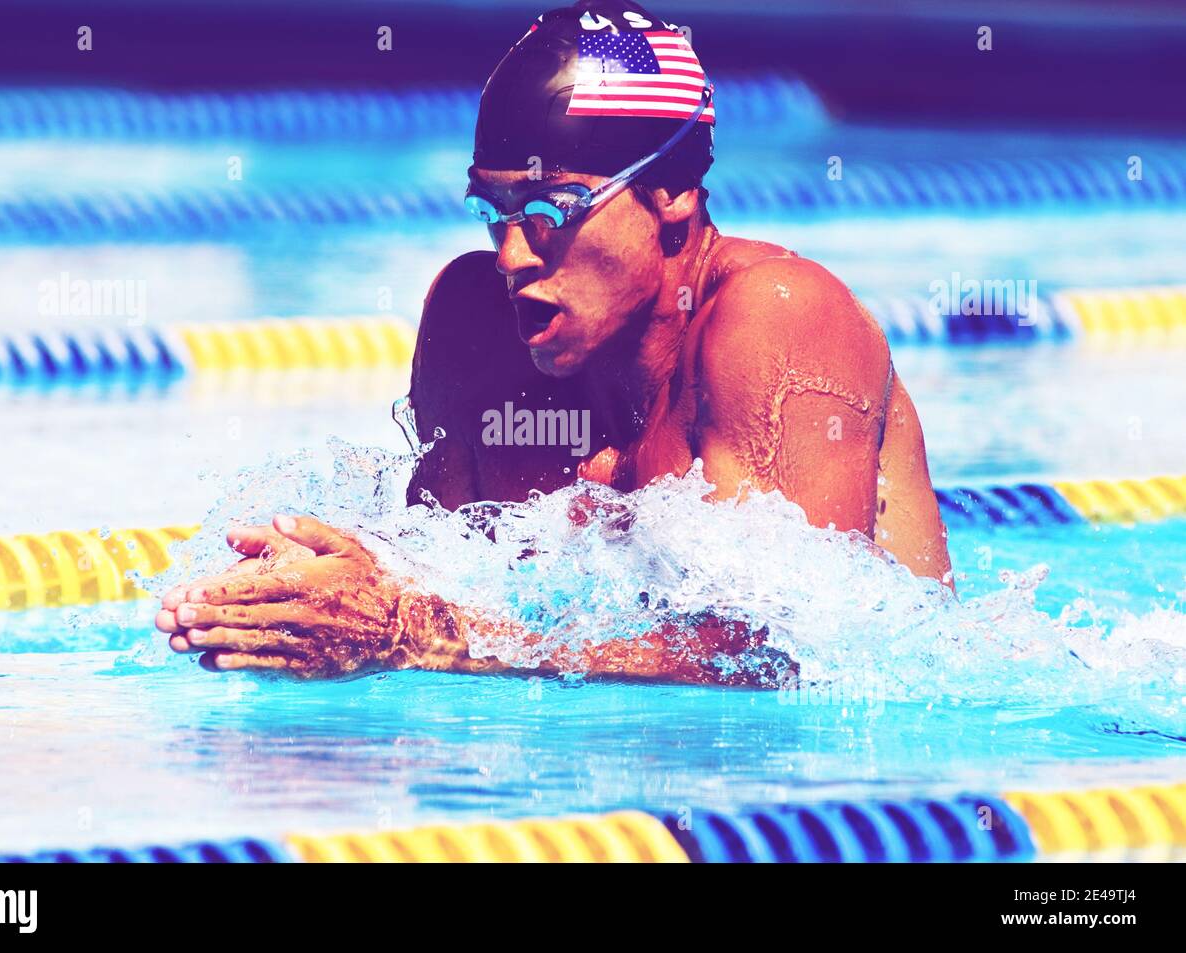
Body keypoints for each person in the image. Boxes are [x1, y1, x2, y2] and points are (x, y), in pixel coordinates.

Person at [156, 0, 952, 686]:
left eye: (549, 210)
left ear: (670, 191)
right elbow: (443, 576)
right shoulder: (477, 326)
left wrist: (422, 631)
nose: (511, 255)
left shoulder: (780, 319)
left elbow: (792, 654)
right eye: (496, 212)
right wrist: (315, 590)